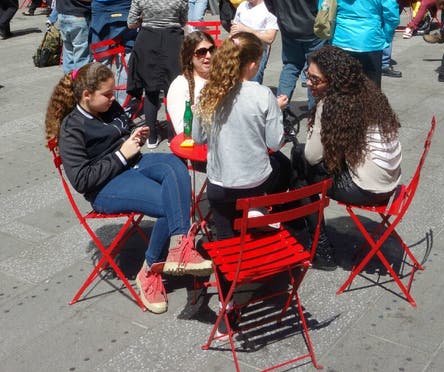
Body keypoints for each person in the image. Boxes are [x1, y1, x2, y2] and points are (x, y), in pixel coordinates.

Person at [45, 62, 212, 314]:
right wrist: (122, 155)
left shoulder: (108, 106)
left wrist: (136, 134)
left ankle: (179, 248)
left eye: (114, 93)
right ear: (86, 95)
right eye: (108, 94)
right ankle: (150, 271)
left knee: (175, 165)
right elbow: (81, 181)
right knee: (170, 201)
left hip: (132, 164)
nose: (114, 99)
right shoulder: (72, 127)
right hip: (104, 187)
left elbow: (123, 127)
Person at [291, 46, 402, 269]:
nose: (309, 84)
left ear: (333, 80)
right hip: (390, 181)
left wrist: (312, 129)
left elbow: (312, 156)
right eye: (308, 77)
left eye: (315, 80)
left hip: (367, 188)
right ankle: (298, 217)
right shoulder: (367, 91)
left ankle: (320, 247)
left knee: (302, 170)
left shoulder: (331, 103)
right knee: (301, 159)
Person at [197, 32, 290, 239]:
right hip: (255, 182)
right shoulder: (263, 94)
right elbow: (275, 142)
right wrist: (277, 112)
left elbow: (198, 138)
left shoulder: (209, 92)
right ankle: (259, 209)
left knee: (225, 234)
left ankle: (228, 260)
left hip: (219, 183)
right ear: (251, 64)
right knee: (282, 167)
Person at [126, 0, 188, 148]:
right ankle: (173, 135)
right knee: (174, 90)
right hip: (173, 42)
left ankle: (151, 137)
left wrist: (146, 18)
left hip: (147, 41)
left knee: (150, 91)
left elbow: (131, 23)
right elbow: (183, 21)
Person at [230, 0, 278, 84]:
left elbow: (270, 39)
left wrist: (247, 29)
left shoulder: (269, 10)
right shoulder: (242, 6)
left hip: (257, 52)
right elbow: (234, 29)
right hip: (238, 50)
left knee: (253, 84)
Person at [166, 29, 216, 135]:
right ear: (189, 57)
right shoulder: (180, 85)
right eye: (201, 52)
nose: (209, 56)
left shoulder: (221, 78)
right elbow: (183, 130)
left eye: (211, 50)